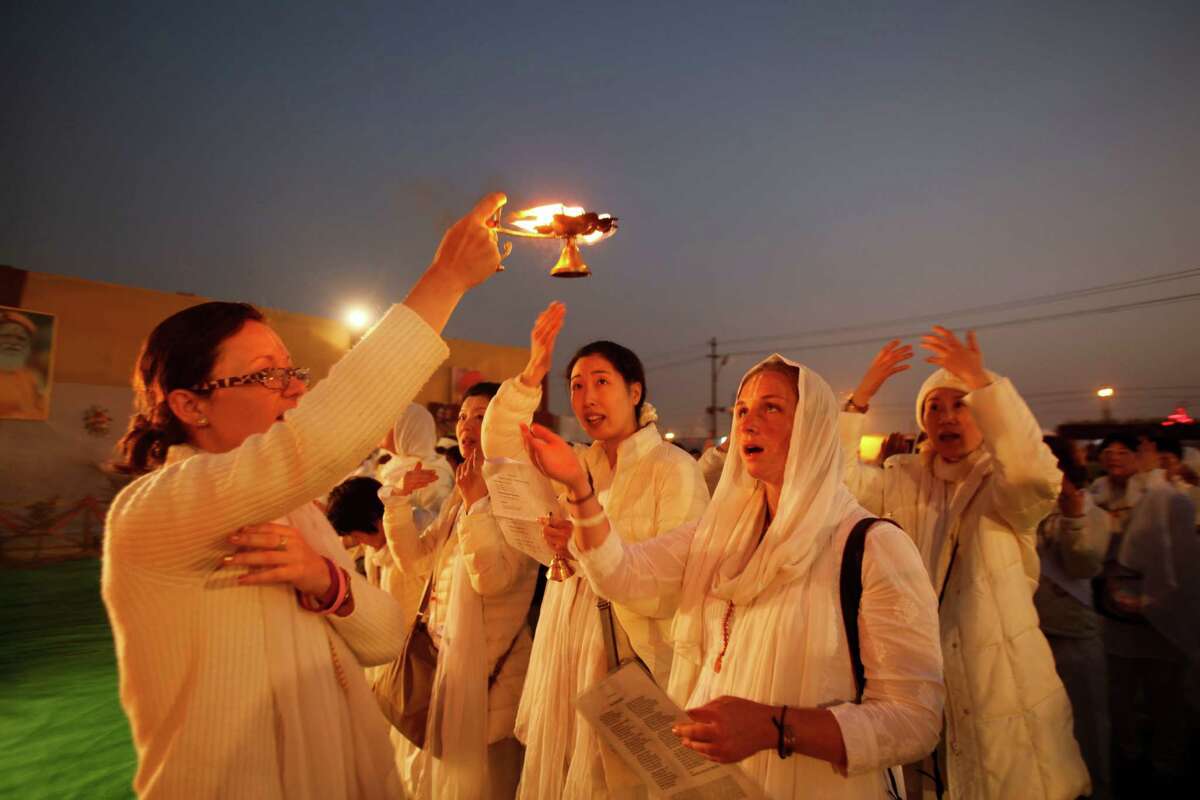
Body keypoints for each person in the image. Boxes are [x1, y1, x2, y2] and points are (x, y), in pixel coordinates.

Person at [101, 192, 507, 799]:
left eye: (292, 372)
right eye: (266, 374)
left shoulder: (295, 514)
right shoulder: (155, 510)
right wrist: (445, 279)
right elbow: (317, 443)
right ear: (189, 404)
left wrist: (327, 581)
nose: (292, 391)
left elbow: (384, 638)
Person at [522, 355, 944, 798]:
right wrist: (580, 490)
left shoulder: (871, 548)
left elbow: (914, 719)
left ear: (814, 427)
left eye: (771, 408)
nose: (748, 422)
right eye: (741, 410)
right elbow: (623, 576)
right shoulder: (719, 537)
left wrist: (775, 727)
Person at [840, 329, 1089, 800]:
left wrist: (981, 380)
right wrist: (860, 399)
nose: (946, 416)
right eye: (934, 407)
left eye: (961, 404)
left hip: (1000, 677)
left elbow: (1033, 474)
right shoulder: (902, 480)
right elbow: (834, 483)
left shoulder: (1002, 487)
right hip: (923, 671)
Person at [482, 301, 709, 798]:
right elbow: (500, 450)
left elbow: (672, 578)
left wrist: (584, 548)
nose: (587, 397)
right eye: (577, 385)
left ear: (635, 391)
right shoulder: (579, 463)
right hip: (569, 638)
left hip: (627, 648)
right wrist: (533, 370)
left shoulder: (671, 468)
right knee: (567, 768)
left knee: (620, 779)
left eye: (602, 382)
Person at [382, 380, 538, 799]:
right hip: (443, 667)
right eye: (465, 415)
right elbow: (417, 563)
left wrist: (479, 507)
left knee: (481, 786)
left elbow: (493, 580)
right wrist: (397, 503)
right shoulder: (458, 494)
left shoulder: (521, 495)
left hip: (489, 683)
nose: (468, 425)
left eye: (482, 416)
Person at [1090, 433, 1198, 793]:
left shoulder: (1165, 495)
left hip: (1160, 616)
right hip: (1115, 612)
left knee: (1165, 694)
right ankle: (1129, 757)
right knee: (1118, 692)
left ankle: (1166, 763)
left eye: (1125, 450)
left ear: (1143, 455)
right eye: (1109, 450)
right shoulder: (1097, 494)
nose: (1115, 456)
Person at [1035, 436, 1112, 799]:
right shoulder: (1022, 509)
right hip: (1031, 636)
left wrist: (1072, 515)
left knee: (1086, 724)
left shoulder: (1090, 511)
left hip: (1073, 634)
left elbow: (1084, 566)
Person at [379, 402, 456, 529]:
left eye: (389, 425)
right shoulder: (391, 466)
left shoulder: (433, 474)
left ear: (405, 430)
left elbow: (435, 524)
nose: (381, 429)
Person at [0, 309, 47, 419]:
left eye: (21, 338)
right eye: (6, 335)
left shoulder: (33, 377)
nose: (13, 342)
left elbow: (42, 411)